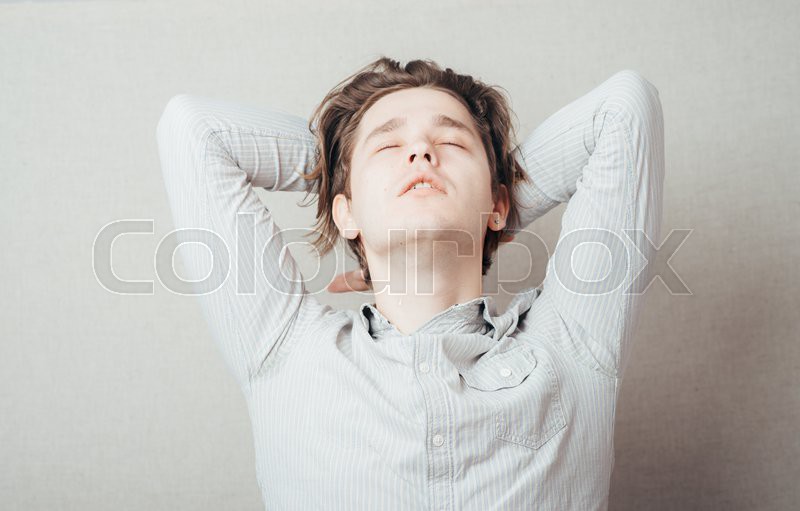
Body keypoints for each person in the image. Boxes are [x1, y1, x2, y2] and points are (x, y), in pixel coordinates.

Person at [156, 57, 664, 510]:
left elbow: (623, 109)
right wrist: (340, 166)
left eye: (452, 142)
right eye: (389, 145)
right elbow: (194, 129)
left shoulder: (572, 345)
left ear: (499, 203)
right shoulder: (286, 349)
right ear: (345, 212)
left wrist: (479, 209)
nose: (421, 150)